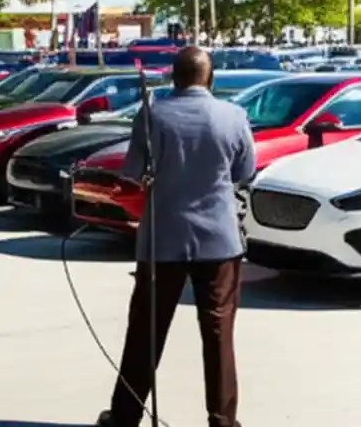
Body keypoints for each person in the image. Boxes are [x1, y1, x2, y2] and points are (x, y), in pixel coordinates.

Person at [97, 46, 255, 427]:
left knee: (145, 331)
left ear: (174, 78)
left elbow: (133, 173)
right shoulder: (233, 116)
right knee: (219, 333)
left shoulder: (153, 115)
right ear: (210, 77)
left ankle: (125, 416)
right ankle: (222, 420)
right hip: (218, 240)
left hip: (162, 239)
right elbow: (244, 172)